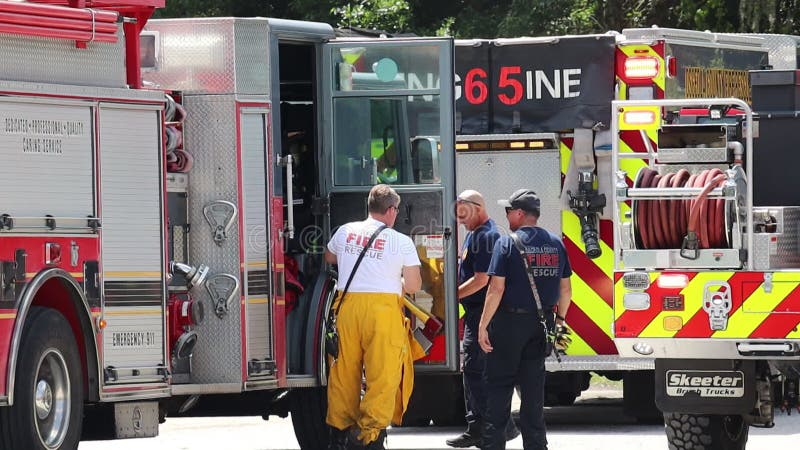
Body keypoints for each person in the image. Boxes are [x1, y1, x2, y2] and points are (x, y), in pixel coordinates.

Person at [324, 184, 423, 450]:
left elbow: (330, 256)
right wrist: (395, 278)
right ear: (391, 210)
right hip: (383, 312)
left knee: (344, 372)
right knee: (382, 374)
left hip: (348, 308)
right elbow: (413, 286)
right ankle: (368, 435)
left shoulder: (345, 231)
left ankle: (340, 433)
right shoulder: (401, 241)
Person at [478, 189, 572, 450]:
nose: (506, 215)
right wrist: (560, 322)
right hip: (542, 324)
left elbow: (496, 289)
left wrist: (483, 325)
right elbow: (566, 290)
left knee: (499, 389)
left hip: (508, 324)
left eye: (509, 210)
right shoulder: (556, 243)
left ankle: (493, 445)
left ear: (520, 213)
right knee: (533, 394)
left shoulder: (506, 243)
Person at [447, 190, 519, 448]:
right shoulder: (476, 234)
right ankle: (484, 427)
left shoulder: (487, 236)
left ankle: (493, 428)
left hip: (481, 314)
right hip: (475, 313)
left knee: (477, 372)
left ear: (477, 208)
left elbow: (482, 280)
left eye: (464, 215)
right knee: (475, 373)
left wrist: (451, 296)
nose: (461, 221)